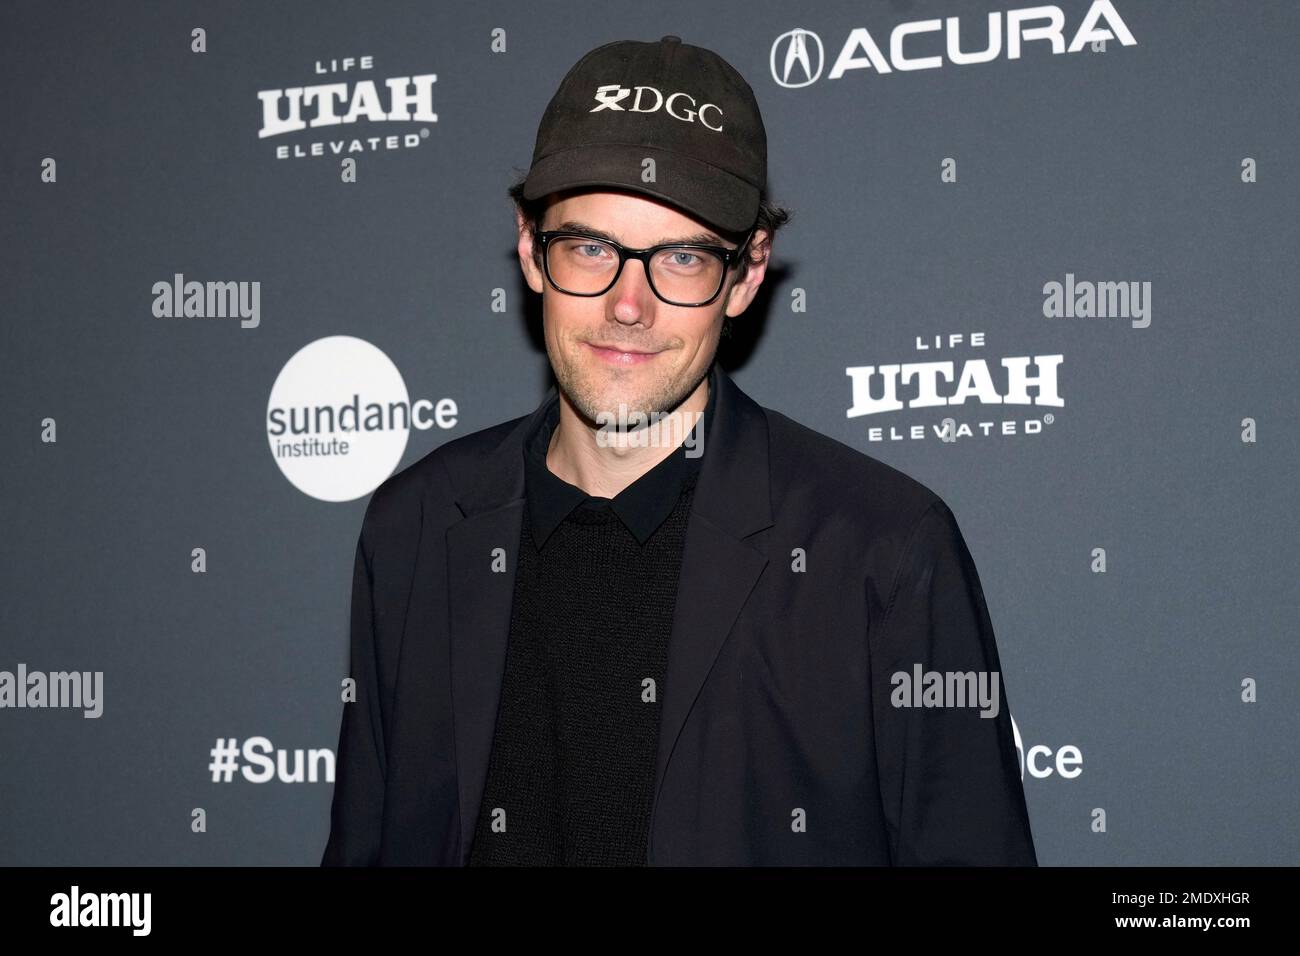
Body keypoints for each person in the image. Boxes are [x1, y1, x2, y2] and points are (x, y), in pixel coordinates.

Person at [322, 35, 1036, 866]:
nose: (630, 305)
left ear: (747, 275)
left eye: (683, 259)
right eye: (591, 247)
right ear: (529, 249)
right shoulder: (417, 527)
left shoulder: (881, 550)